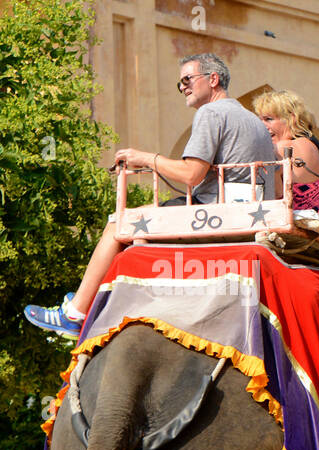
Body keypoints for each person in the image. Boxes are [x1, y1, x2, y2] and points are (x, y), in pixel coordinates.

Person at [24, 53, 280, 338]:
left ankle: (75, 313)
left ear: (213, 79)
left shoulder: (211, 113)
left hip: (212, 215)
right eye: (179, 83)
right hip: (252, 219)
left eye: (187, 79)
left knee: (116, 225)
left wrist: (144, 158)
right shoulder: (254, 121)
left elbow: (192, 174)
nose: (183, 87)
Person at [252, 89, 319, 212]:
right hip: (312, 224)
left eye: (269, 119)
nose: (262, 126)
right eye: (260, 120)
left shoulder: (280, 149)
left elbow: (271, 197)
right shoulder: (314, 147)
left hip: (285, 225)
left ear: (291, 118)